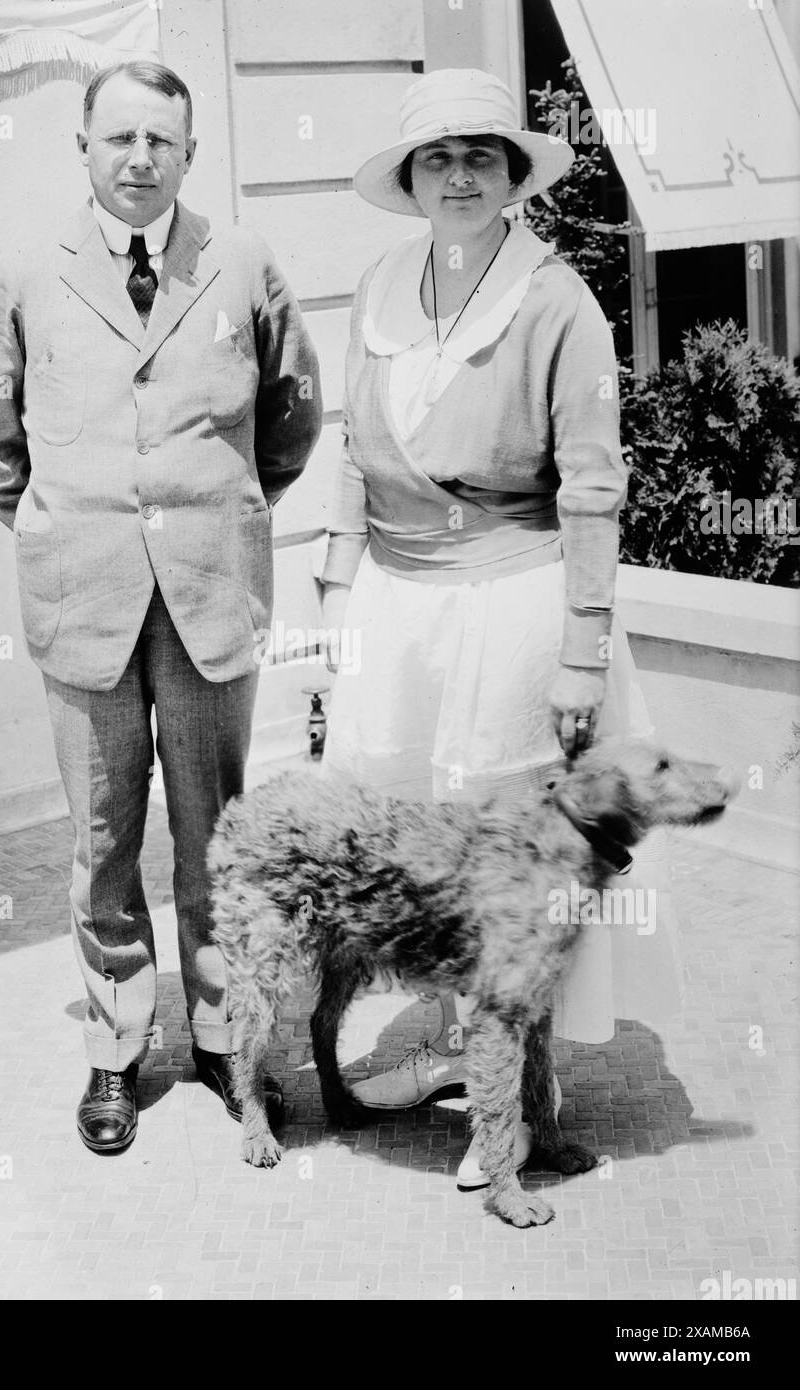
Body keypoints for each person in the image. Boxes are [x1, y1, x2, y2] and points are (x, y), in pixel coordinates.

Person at [0, 61, 322, 1154]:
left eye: (161, 140)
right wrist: (56, 523)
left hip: (212, 600)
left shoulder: (243, 262)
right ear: (84, 147)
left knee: (219, 835)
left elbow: (293, 417)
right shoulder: (26, 274)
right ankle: (116, 1048)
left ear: (190, 154)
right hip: (85, 605)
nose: (140, 159)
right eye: (119, 140)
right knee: (103, 840)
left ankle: (218, 1036)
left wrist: (226, 508)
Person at [320, 69, 682, 1187]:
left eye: (483, 154)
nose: (462, 174)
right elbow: (349, 460)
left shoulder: (558, 299)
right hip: (398, 610)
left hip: (516, 611)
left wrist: (581, 645)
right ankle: (444, 1043)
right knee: (414, 850)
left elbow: (590, 488)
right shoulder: (380, 286)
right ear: (414, 182)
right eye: (440, 158)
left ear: (514, 174)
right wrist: (335, 605)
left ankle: (521, 1105)